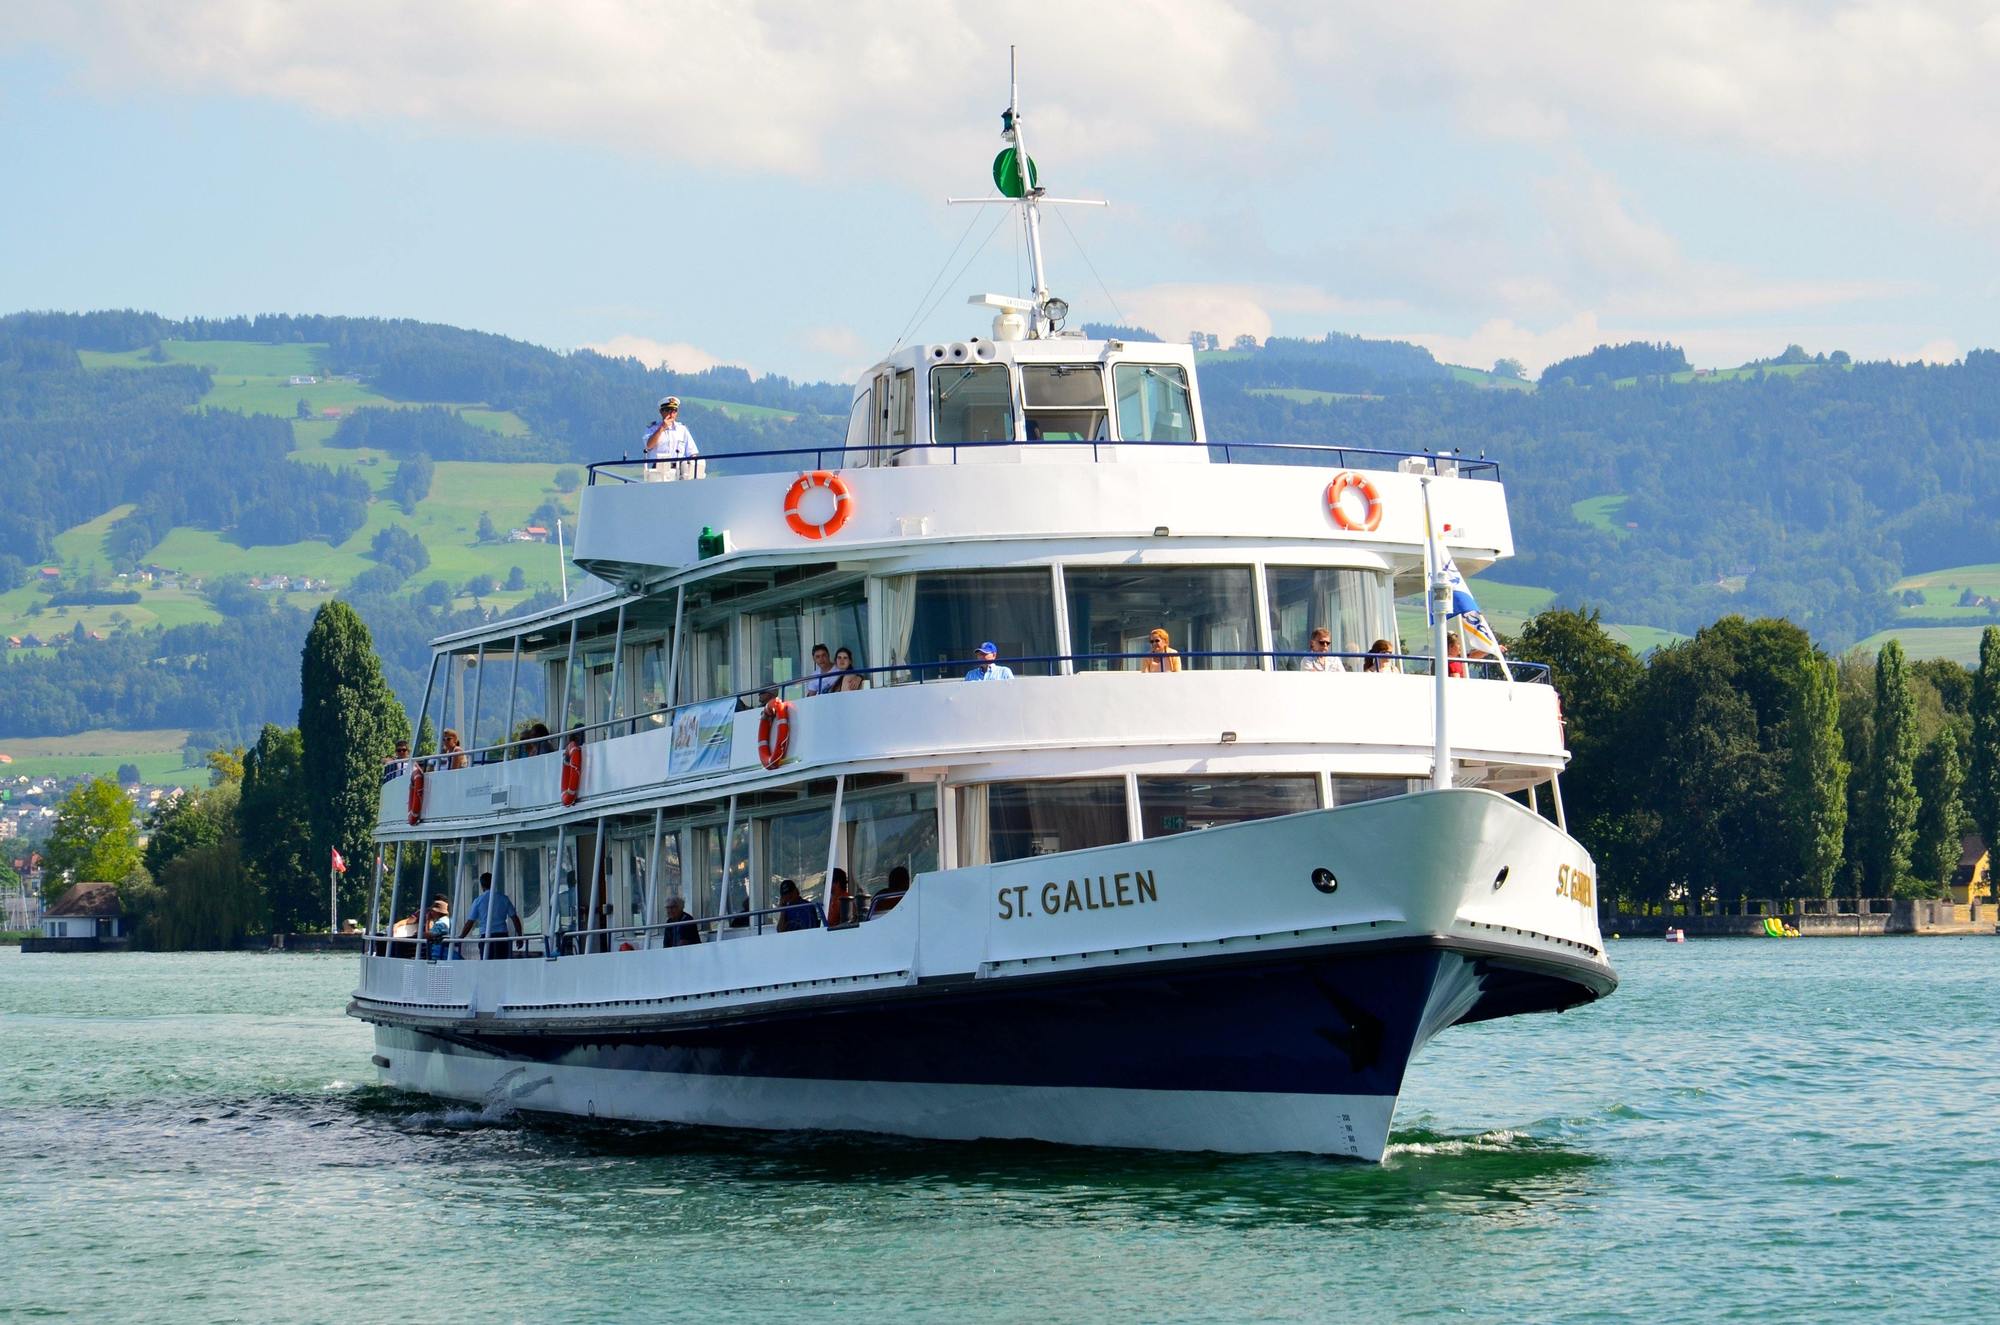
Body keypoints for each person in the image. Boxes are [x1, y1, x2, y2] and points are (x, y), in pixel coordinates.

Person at [459, 870, 521, 959]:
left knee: (487, 966)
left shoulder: (478, 901)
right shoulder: (504, 899)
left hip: (486, 938)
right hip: (502, 937)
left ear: (482, 885)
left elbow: (470, 922)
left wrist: (461, 937)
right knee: (503, 966)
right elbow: (515, 918)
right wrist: (519, 936)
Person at [642, 396, 702, 482]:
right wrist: (662, 428)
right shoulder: (652, 428)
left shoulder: (682, 429)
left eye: (674, 411)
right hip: (659, 469)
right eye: (668, 410)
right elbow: (649, 445)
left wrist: (692, 466)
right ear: (661, 412)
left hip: (679, 468)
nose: (671, 414)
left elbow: (692, 452)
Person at [423, 896, 452, 960]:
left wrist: (428, 920)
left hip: (439, 953)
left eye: (432, 911)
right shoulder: (448, 920)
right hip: (445, 951)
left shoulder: (441, 923)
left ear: (437, 912)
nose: (430, 912)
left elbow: (428, 935)